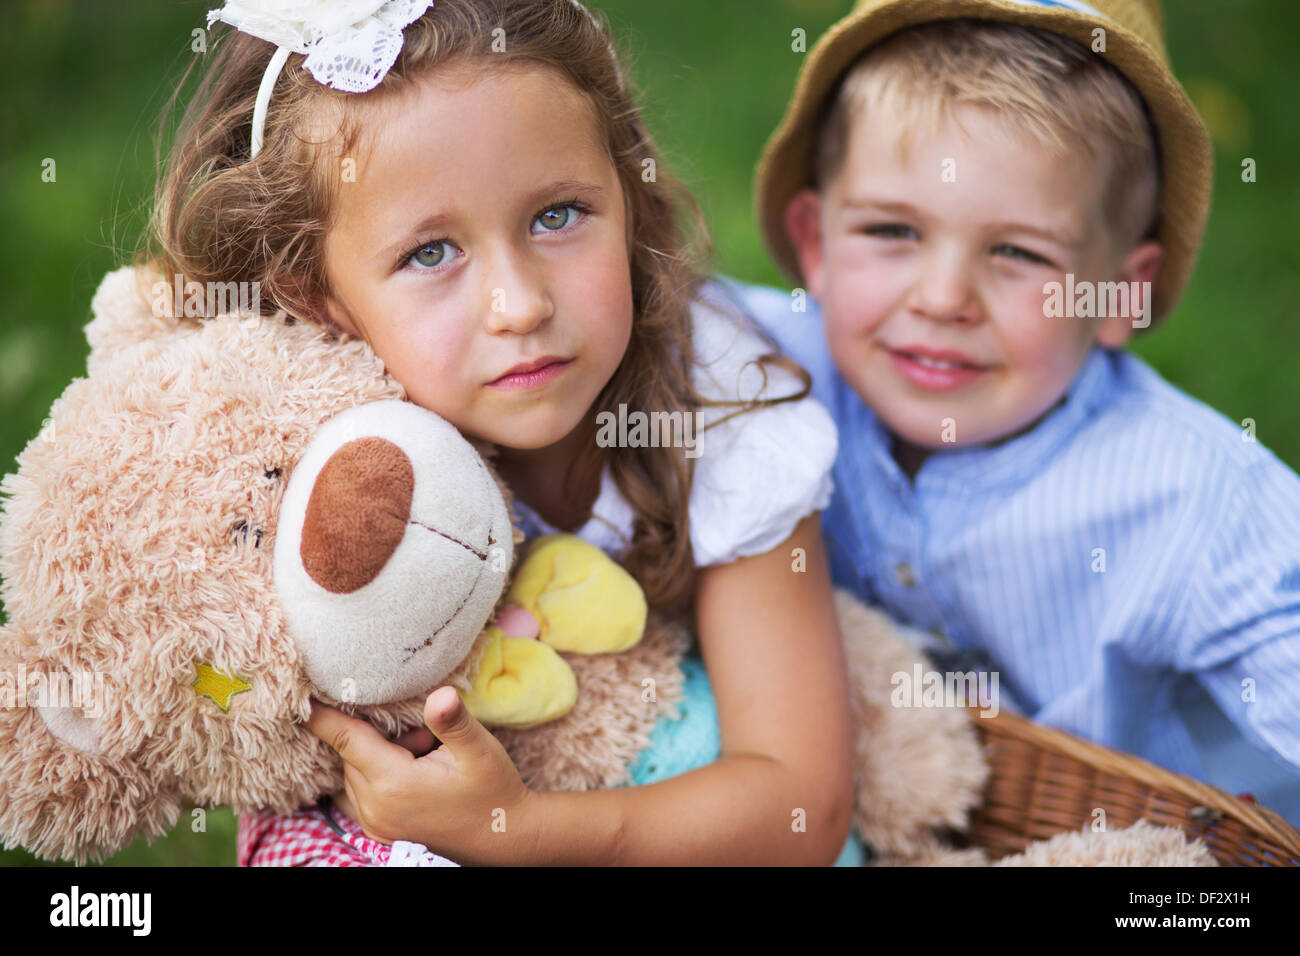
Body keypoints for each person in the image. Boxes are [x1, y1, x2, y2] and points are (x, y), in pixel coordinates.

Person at [149, 0, 857, 864]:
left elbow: (802, 805)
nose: (521, 305)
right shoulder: (287, 449)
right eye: (431, 253)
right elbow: (202, 686)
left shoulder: (717, 403)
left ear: (627, 197)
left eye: (557, 215)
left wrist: (516, 832)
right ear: (316, 294)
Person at [738, 0, 1300, 823]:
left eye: (1017, 252)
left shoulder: (1204, 499)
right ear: (815, 243)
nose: (942, 298)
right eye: (894, 230)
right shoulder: (760, 367)